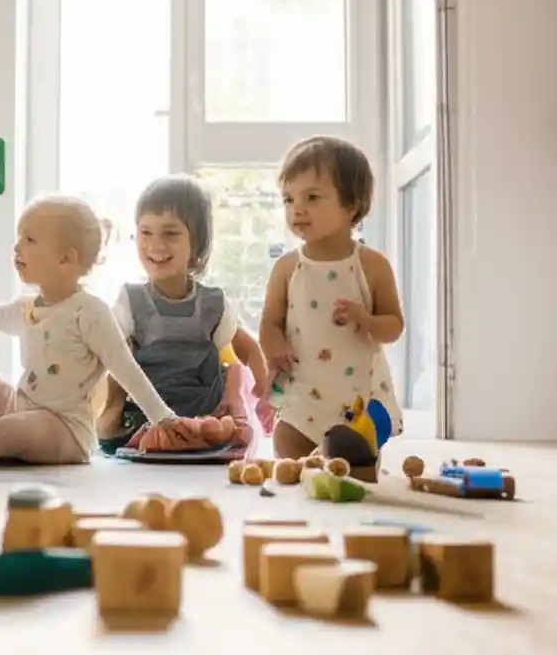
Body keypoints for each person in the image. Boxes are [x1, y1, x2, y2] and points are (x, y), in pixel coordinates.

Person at [0, 195, 198, 465]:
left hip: (64, 429)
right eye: (19, 238)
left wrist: (162, 417)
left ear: (66, 259)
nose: (16, 246)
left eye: (29, 240)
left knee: (16, 428)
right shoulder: (26, 307)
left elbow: (125, 368)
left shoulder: (89, 312)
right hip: (24, 409)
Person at [97, 174, 269, 454]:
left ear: (197, 243)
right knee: (120, 347)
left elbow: (245, 345)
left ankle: (200, 433)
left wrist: (263, 389)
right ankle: (156, 432)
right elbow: (111, 355)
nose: (156, 245)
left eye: (170, 233)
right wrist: (112, 405)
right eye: (146, 232)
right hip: (150, 410)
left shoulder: (213, 302)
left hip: (204, 408)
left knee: (230, 421)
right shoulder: (131, 299)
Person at [260, 136, 404, 461]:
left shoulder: (371, 265)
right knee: (288, 451)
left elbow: (394, 326)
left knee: (355, 466)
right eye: (288, 199)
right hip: (303, 391)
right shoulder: (287, 267)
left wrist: (367, 321)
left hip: (355, 397)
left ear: (351, 204)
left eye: (312, 197)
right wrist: (274, 347)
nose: (297, 208)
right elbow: (270, 322)